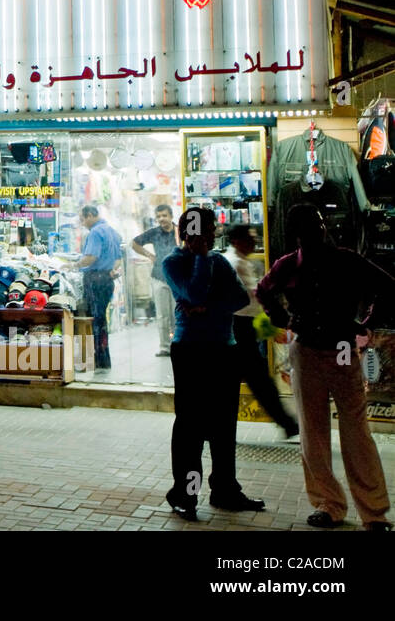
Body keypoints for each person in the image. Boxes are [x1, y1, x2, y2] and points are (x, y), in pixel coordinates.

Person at [258, 204, 393, 531]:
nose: (318, 231)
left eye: (318, 224)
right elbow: (263, 291)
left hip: (343, 348)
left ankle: (373, 513)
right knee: (312, 433)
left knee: (356, 432)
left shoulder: (347, 259)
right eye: (309, 227)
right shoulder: (288, 265)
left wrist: (367, 323)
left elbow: (388, 287)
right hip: (305, 351)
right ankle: (328, 505)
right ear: (298, 235)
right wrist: (282, 319)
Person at [161, 207, 266, 520]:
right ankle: (186, 495)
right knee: (190, 427)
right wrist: (200, 260)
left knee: (223, 426)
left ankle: (225, 490)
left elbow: (239, 300)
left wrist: (205, 304)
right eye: (203, 231)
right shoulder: (173, 262)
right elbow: (192, 292)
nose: (209, 236)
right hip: (191, 352)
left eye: (209, 232)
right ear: (188, 233)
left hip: (223, 350)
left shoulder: (219, 261)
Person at [224, 224, 298, 438]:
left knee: (253, 380)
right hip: (239, 327)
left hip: (242, 327)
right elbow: (251, 300)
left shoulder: (241, 261)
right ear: (237, 240)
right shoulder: (235, 263)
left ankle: (286, 424)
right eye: (250, 238)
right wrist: (271, 326)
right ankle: (287, 424)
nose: (254, 242)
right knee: (258, 380)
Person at [77, 205, 122, 371]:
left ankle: (96, 357)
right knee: (101, 319)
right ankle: (103, 358)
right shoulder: (111, 230)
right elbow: (118, 258)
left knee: (95, 319)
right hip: (106, 280)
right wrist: (112, 270)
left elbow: (91, 257)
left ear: (90, 215)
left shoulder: (95, 232)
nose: (82, 223)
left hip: (95, 279)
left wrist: (73, 265)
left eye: (82, 219)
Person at [132, 204, 180, 356]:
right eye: (158, 216)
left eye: (164, 215)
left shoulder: (180, 231)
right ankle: (164, 347)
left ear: (171, 216)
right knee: (162, 315)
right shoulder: (154, 233)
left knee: (176, 314)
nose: (161, 219)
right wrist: (148, 255)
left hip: (177, 279)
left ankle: (177, 345)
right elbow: (134, 243)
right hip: (158, 277)